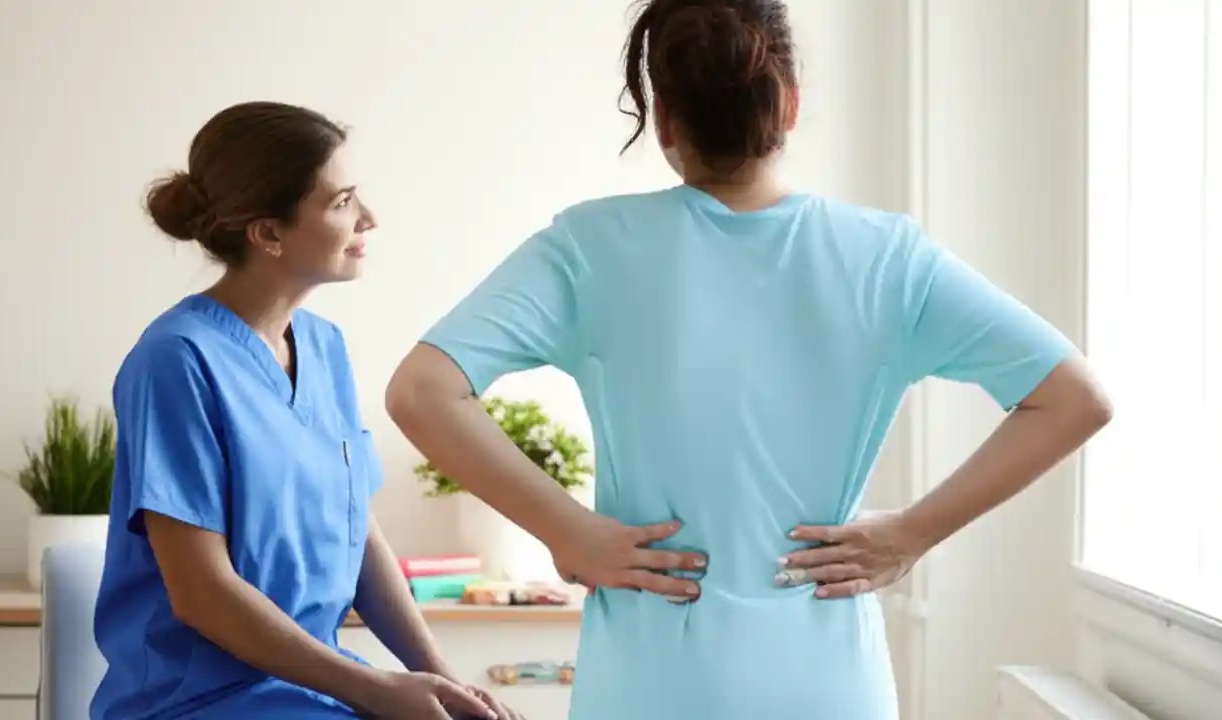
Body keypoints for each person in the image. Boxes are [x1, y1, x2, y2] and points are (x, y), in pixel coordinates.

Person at [385, 1, 1112, 718]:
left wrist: (564, 528)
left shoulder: (589, 247)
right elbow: (1075, 398)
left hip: (649, 681)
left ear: (665, 120)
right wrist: (911, 534)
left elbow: (422, 390)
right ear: (790, 104)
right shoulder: (888, 257)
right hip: (827, 682)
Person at [91, 101, 516, 720]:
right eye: (342, 202)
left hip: (314, 690)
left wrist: (448, 685)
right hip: (200, 702)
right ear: (268, 233)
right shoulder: (176, 361)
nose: (369, 217)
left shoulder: (325, 348)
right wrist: (374, 689)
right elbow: (201, 593)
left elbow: (358, 535)